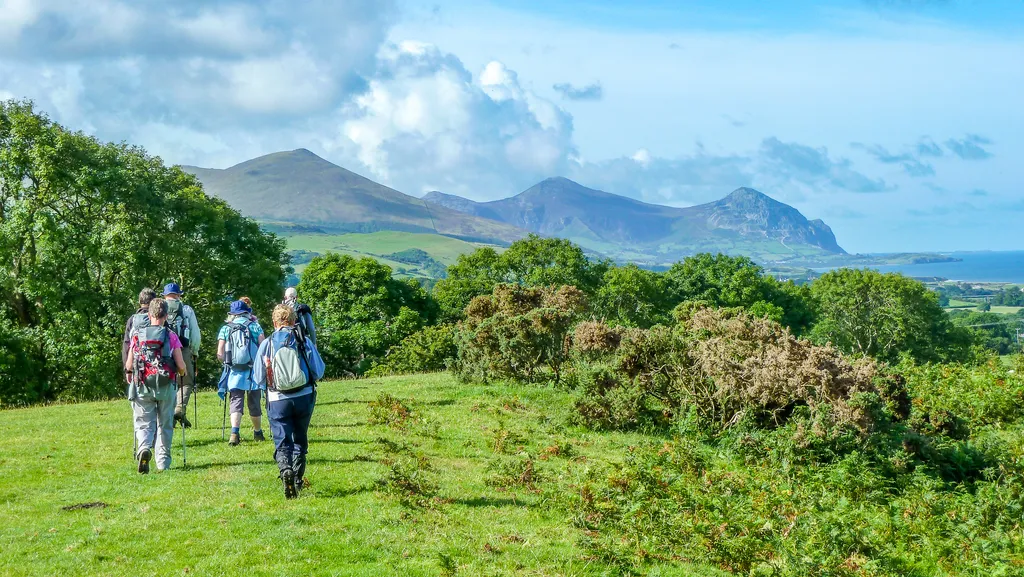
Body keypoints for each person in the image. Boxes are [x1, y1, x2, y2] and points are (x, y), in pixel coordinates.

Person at [253, 304, 325, 498]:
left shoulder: (267, 343)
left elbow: (258, 377)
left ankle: (285, 469)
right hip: (304, 396)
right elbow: (318, 371)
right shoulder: (303, 340)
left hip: (277, 399)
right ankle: (298, 481)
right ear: (294, 321)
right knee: (300, 439)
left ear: (274, 322)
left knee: (282, 438)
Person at [125, 298, 187, 474]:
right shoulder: (171, 336)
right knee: (165, 424)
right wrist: (182, 373)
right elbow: (181, 365)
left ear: (149, 314)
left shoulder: (137, 335)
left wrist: (130, 373)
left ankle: (144, 447)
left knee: (144, 422)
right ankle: (163, 463)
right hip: (166, 386)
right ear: (166, 316)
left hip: (143, 384)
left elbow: (129, 365)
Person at [217, 299, 266, 445]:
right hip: (253, 372)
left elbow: (220, 353)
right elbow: (263, 347)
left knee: (236, 401)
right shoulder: (255, 326)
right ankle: (257, 432)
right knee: (254, 402)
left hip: (234, 371)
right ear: (247, 312)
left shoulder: (226, 328)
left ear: (232, 314)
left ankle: (234, 433)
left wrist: (226, 363)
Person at [162, 283, 201, 428]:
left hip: (163, 350)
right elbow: (195, 333)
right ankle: (179, 408)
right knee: (186, 381)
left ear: (165, 295)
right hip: (182, 348)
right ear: (178, 294)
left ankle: (169, 416)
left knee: (168, 382)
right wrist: (194, 352)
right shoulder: (186, 309)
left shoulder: (159, 307)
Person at [123, 287, 157, 371]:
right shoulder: (158, 318)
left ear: (139, 302)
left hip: (137, 364)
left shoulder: (132, 319)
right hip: (155, 366)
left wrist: (127, 370)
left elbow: (127, 344)